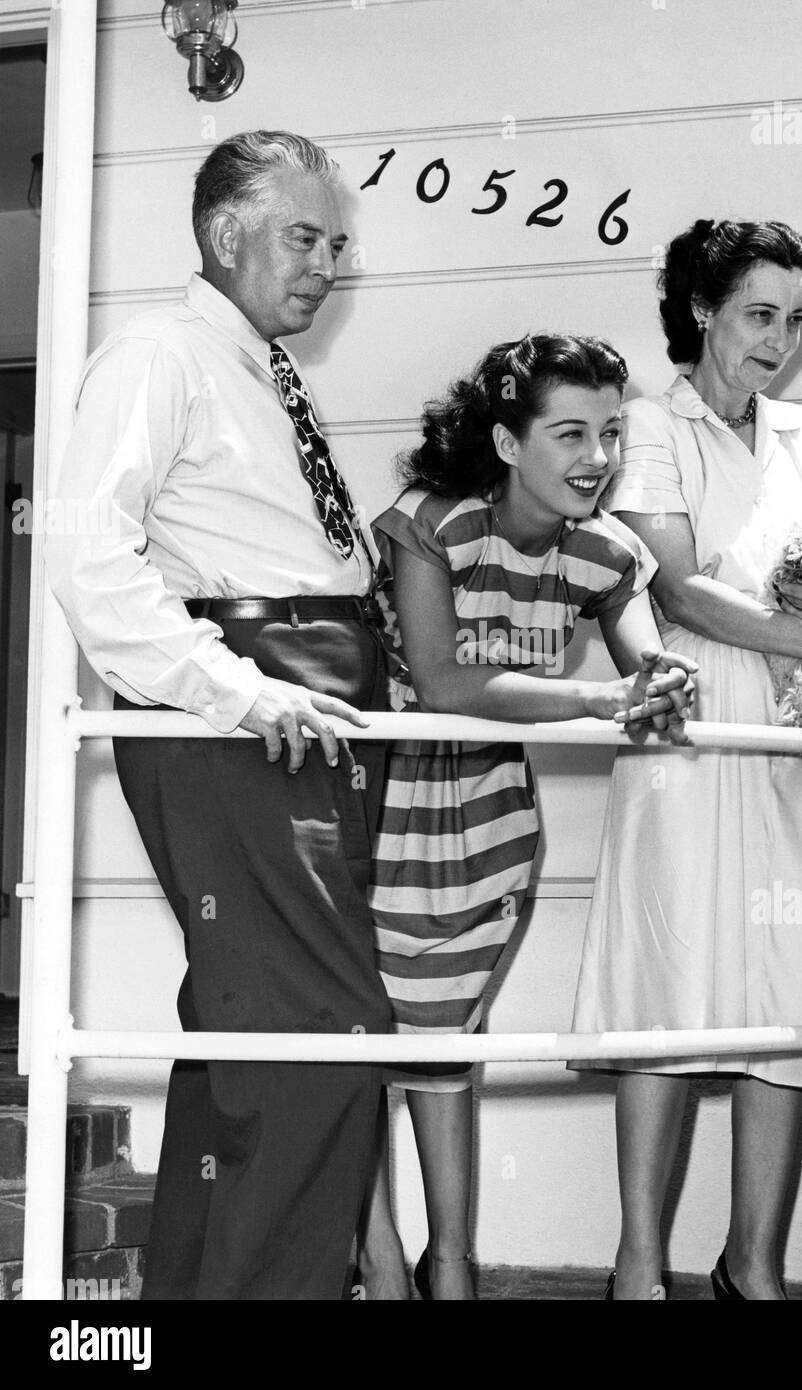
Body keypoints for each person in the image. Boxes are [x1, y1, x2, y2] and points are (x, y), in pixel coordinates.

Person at [45, 130, 393, 1299]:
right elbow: (91, 563)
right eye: (304, 238)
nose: (326, 266)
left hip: (310, 703)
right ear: (226, 231)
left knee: (243, 1026)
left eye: (336, 243)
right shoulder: (158, 353)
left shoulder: (257, 366)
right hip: (250, 708)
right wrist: (239, 691)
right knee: (323, 1030)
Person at [570, 219, 802, 1301]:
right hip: (695, 715)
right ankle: (638, 1265)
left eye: (797, 319)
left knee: (792, 985)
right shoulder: (649, 428)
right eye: (760, 314)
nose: (781, 341)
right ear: (702, 309)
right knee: (672, 976)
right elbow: (673, 586)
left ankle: (751, 1265)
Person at [354, 333, 698, 1299]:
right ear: (507, 442)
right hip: (374, 797)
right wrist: (599, 703)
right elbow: (442, 676)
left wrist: (661, 684)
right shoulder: (433, 524)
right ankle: (383, 1261)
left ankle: (451, 1263)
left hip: (485, 811)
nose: (599, 457)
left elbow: (644, 667)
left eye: (613, 433)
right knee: (356, 1040)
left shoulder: (605, 552)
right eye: (571, 433)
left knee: (449, 1039)